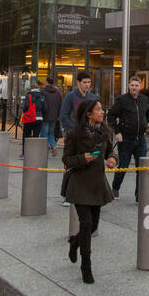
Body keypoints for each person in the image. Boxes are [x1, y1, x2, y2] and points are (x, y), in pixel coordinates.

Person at [62, 96, 116, 284]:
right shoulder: (74, 134)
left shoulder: (104, 132)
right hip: (79, 184)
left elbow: (110, 151)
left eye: (102, 109)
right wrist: (82, 159)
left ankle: (75, 242)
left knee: (92, 226)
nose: (102, 112)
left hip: (97, 184)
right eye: (99, 109)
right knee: (85, 225)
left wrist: (112, 159)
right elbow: (67, 159)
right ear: (88, 114)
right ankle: (86, 266)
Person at [109, 76, 149, 200]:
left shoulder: (144, 99)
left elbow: (148, 114)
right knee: (123, 166)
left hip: (140, 139)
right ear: (128, 86)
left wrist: (147, 124)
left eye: (136, 85)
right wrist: (117, 132)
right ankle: (115, 188)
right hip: (126, 139)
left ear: (140, 87)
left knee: (141, 167)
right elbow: (110, 116)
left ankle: (139, 195)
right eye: (132, 85)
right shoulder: (122, 100)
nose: (134, 88)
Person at [57, 73, 93, 204]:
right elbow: (63, 116)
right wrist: (74, 130)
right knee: (71, 165)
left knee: (88, 163)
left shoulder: (92, 97)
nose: (87, 85)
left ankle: (86, 193)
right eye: (84, 82)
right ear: (78, 83)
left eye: (89, 82)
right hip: (73, 136)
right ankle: (67, 195)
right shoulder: (70, 97)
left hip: (89, 136)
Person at [20, 78, 45, 157]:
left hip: (30, 119)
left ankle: (25, 153)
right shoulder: (42, 96)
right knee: (36, 136)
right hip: (39, 119)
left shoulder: (29, 95)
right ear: (38, 88)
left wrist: (25, 111)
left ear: (31, 88)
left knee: (26, 136)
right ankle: (35, 154)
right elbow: (45, 108)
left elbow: (26, 106)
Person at [42, 77, 63, 155]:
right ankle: (53, 146)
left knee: (44, 134)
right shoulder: (58, 93)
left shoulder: (43, 92)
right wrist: (58, 115)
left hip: (45, 116)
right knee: (51, 133)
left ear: (47, 82)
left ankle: (45, 151)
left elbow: (41, 104)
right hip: (54, 116)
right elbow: (61, 104)